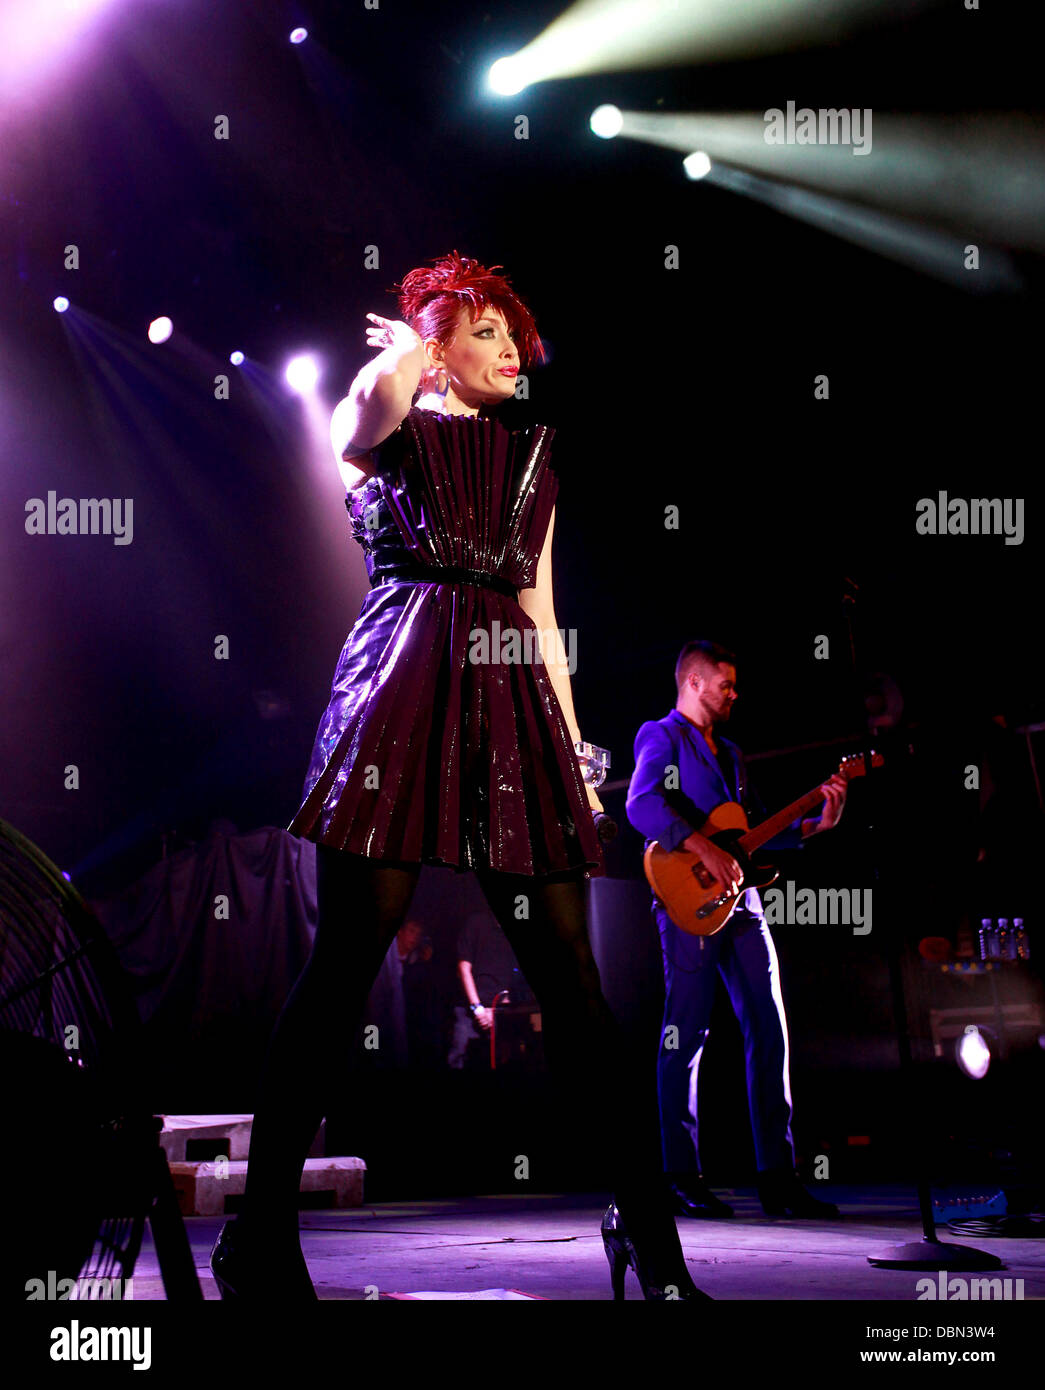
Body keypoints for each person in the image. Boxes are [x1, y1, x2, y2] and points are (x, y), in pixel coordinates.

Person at [211, 251, 705, 1300]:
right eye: (484, 334)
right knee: (344, 964)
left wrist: (574, 753)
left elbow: (538, 614)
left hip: (510, 702)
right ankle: (259, 1233)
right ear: (437, 347)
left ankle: (652, 1248)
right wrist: (408, 353)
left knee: (575, 982)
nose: (510, 352)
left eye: (514, 339)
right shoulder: (386, 422)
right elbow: (354, 423)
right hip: (399, 686)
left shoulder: (535, 461)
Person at [626, 640, 847, 1220]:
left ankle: (778, 1175)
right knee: (686, 1034)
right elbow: (641, 805)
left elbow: (751, 837)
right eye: (726, 684)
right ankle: (680, 1174)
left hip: (743, 902)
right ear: (694, 682)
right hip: (688, 900)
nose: (734, 693)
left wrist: (812, 826)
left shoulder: (732, 753)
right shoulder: (660, 735)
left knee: (771, 1030)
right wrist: (701, 846)